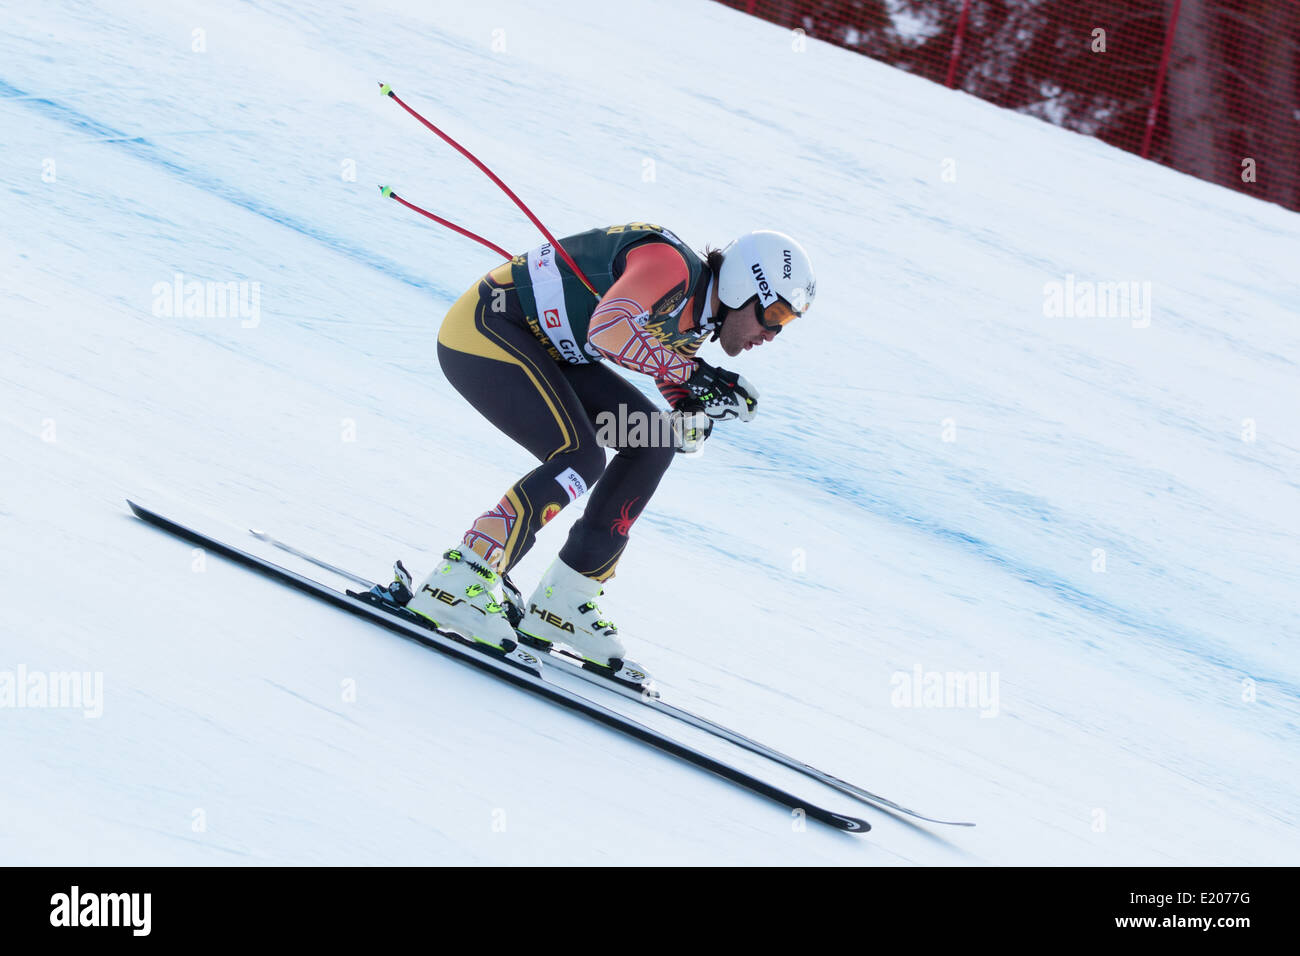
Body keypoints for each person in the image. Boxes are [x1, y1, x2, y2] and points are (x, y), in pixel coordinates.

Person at [388, 223, 815, 667]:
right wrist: (697, 377)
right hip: (487, 330)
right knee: (582, 456)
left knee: (653, 440)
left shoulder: (699, 316)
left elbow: (666, 366)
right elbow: (608, 332)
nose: (771, 334)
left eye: (785, 324)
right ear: (746, 286)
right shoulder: (671, 267)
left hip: (549, 350)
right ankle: (462, 579)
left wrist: (691, 408)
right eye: (776, 315)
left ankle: (564, 600)